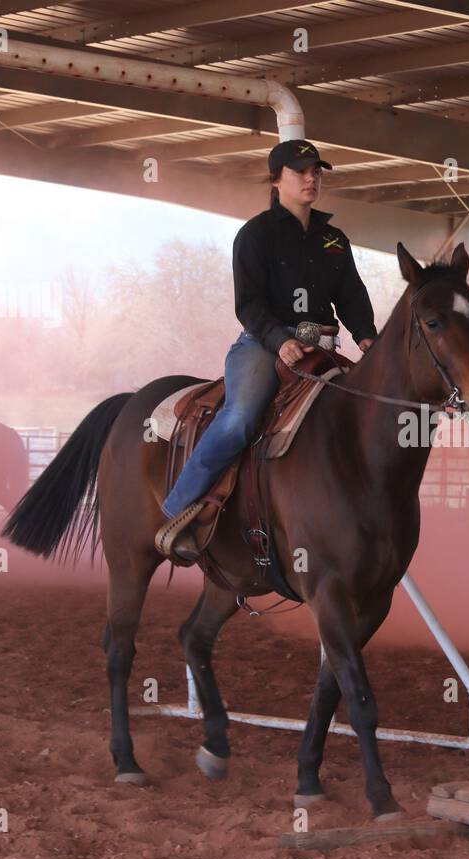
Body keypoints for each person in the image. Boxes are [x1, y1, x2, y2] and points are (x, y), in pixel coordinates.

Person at [155, 139, 378, 563]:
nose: (312, 178)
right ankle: (177, 510)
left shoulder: (334, 239)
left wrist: (366, 335)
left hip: (325, 347)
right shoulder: (255, 235)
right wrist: (281, 340)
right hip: (262, 345)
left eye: (317, 171)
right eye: (301, 171)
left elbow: (351, 293)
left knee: (358, 414)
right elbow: (249, 304)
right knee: (240, 419)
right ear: (277, 180)